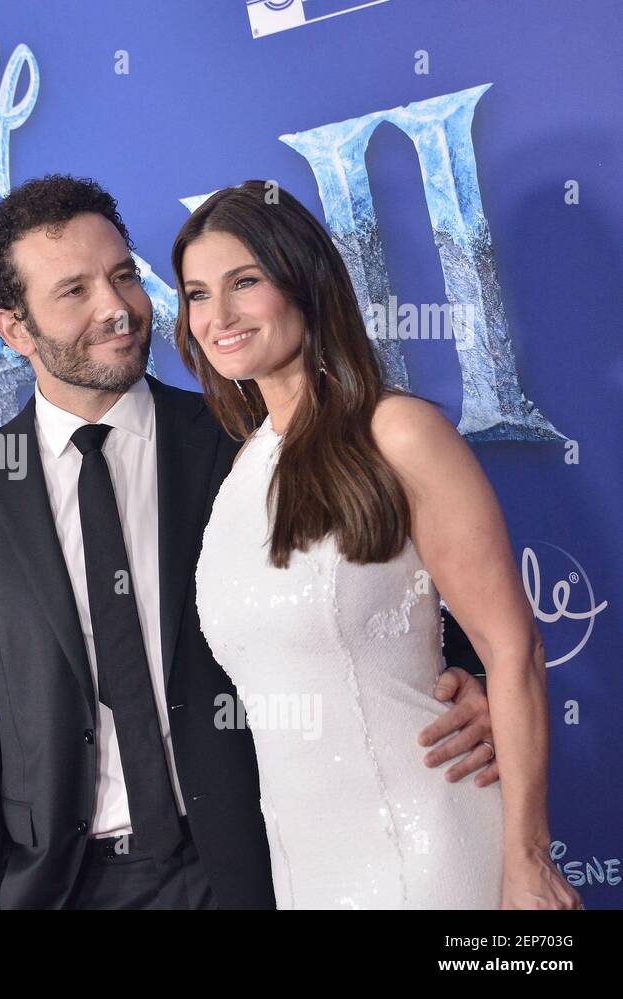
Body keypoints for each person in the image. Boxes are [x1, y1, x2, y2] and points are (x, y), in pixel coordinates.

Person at [0, 174, 499, 909]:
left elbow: (391, 568)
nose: (117, 308)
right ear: (14, 329)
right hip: (65, 886)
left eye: (124, 275)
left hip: (252, 860)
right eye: (74, 292)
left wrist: (479, 680)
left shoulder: (245, 440)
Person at [179, 180, 581, 909]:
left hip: (429, 845)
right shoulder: (241, 468)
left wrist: (527, 858)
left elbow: (511, 646)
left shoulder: (398, 433)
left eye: (246, 282)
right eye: (198, 294)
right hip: (303, 865)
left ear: (304, 281)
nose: (220, 316)